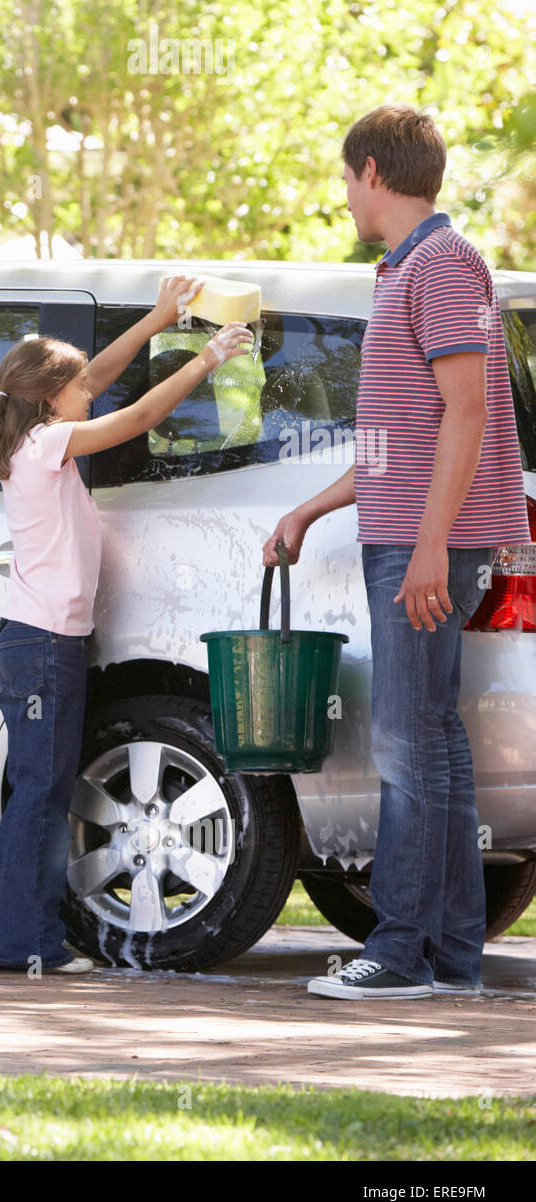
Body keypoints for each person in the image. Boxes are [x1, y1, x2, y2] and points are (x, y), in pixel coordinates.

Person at [267, 106, 531, 1000]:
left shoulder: (445, 266)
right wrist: (310, 507)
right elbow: (400, 439)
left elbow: (470, 415)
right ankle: (452, 958)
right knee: (434, 743)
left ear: (372, 170)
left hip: (426, 545)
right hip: (409, 532)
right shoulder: (405, 271)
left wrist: (428, 548)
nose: (345, 196)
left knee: (407, 748)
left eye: (347, 180)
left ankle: (399, 952)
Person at [0, 279, 253, 973]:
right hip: (41, 646)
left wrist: (158, 317)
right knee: (42, 795)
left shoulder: (33, 436)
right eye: (77, 388)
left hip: (34, 643)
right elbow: (141, 412)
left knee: (36, 792)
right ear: (48, 400)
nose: (88, 391)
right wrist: (207, 357)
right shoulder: (47, 445)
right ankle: (26, 942)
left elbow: (99, 375)